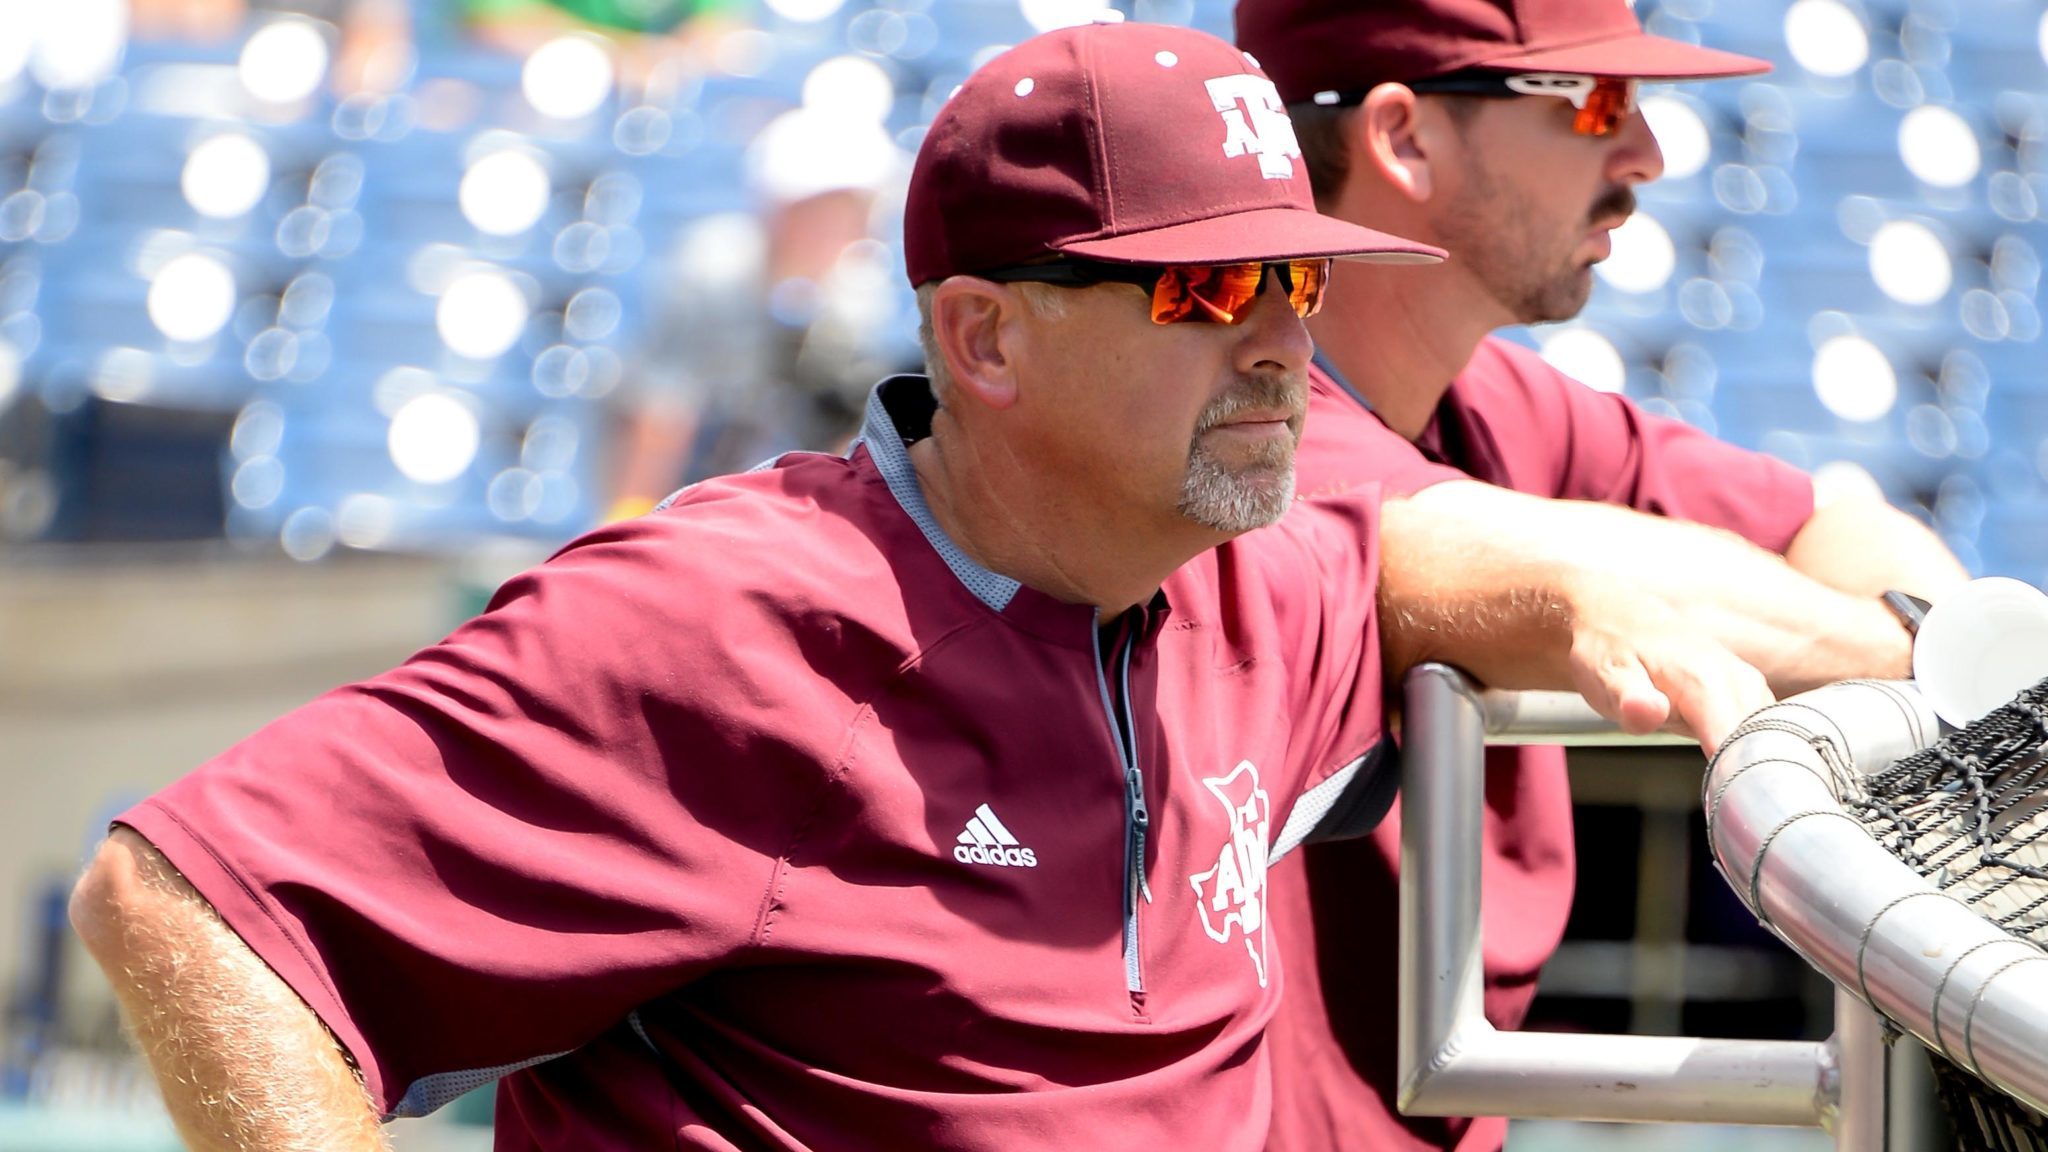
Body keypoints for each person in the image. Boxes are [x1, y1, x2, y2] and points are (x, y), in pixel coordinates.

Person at [67, 19, 1771, 1152]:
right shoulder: (743, 616)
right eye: (1204, 291)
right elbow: (192, 901)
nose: (1273, 341)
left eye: (1299, 285)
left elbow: (1473, 552)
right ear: (983, 336)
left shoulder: (1267, 578)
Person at [1230, 2, 1974, 1150]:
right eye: (1594, 103)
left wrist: (1927, 627)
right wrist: (1929, 665)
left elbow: (1834, 525)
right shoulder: (1232, 406)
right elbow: (1530, 564)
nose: (1647, 156)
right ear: (1403, 138)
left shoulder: (1491, 399)